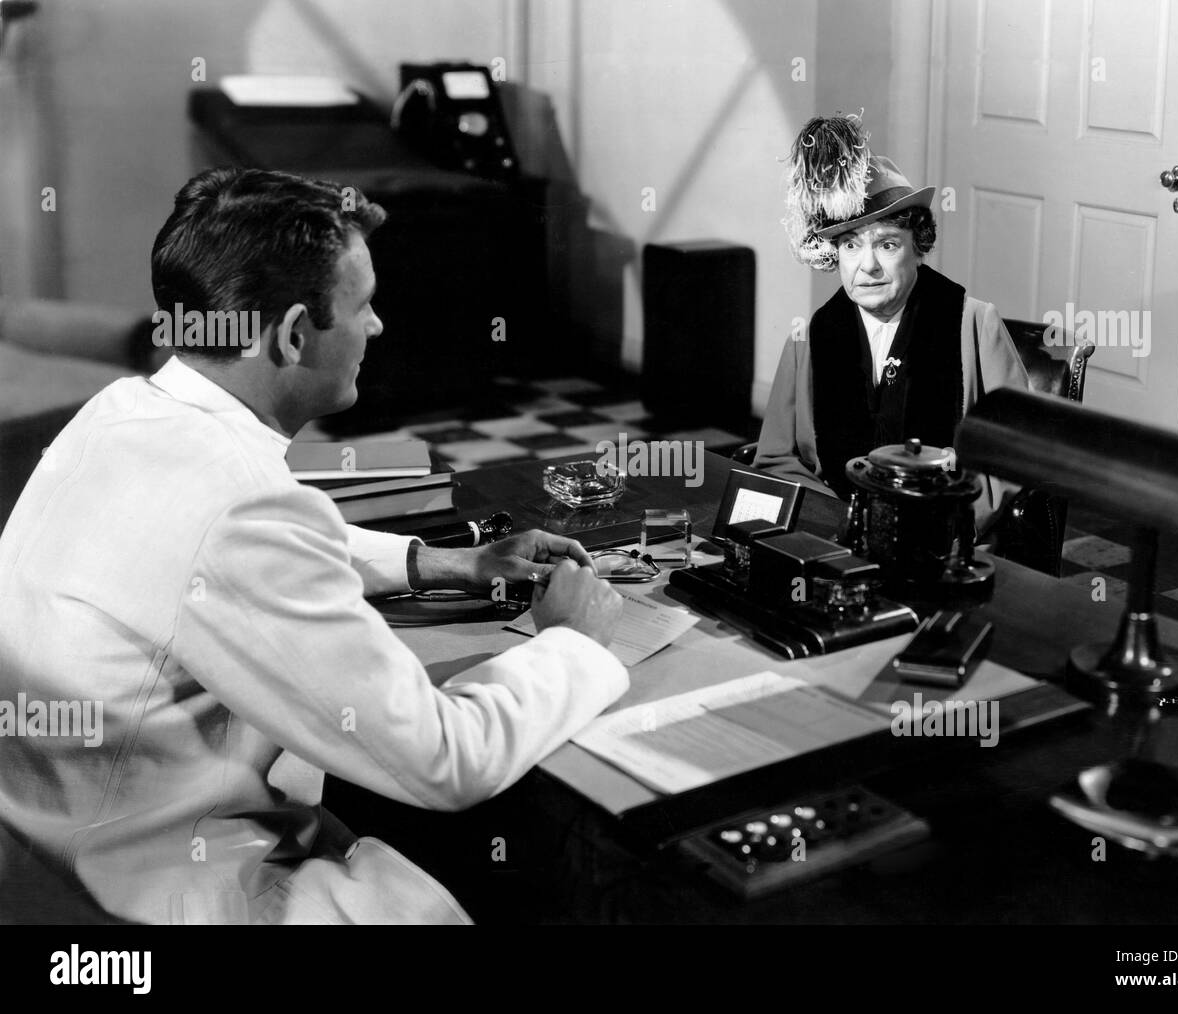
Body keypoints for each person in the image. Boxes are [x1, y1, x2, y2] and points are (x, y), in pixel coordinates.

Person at [0, 168, 629, 925]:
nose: (377, 328)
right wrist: (572, 643)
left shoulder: (124, 412)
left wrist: (438, 562)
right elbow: (447, 760)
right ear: (295, 334)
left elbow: (220, 554)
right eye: (363, 306)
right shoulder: (240, 506)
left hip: (46, 850)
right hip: (158, 890)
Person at [754, 115, 1028, 535]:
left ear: (918, 248)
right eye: (851, 245)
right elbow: (776, 460)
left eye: (886, 244)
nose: (868, 266)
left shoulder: (973, 324)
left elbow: (1012, 459)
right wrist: (841, 527)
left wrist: (931, 524)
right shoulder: (810, 337)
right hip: (837, 542)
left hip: (940, 541)